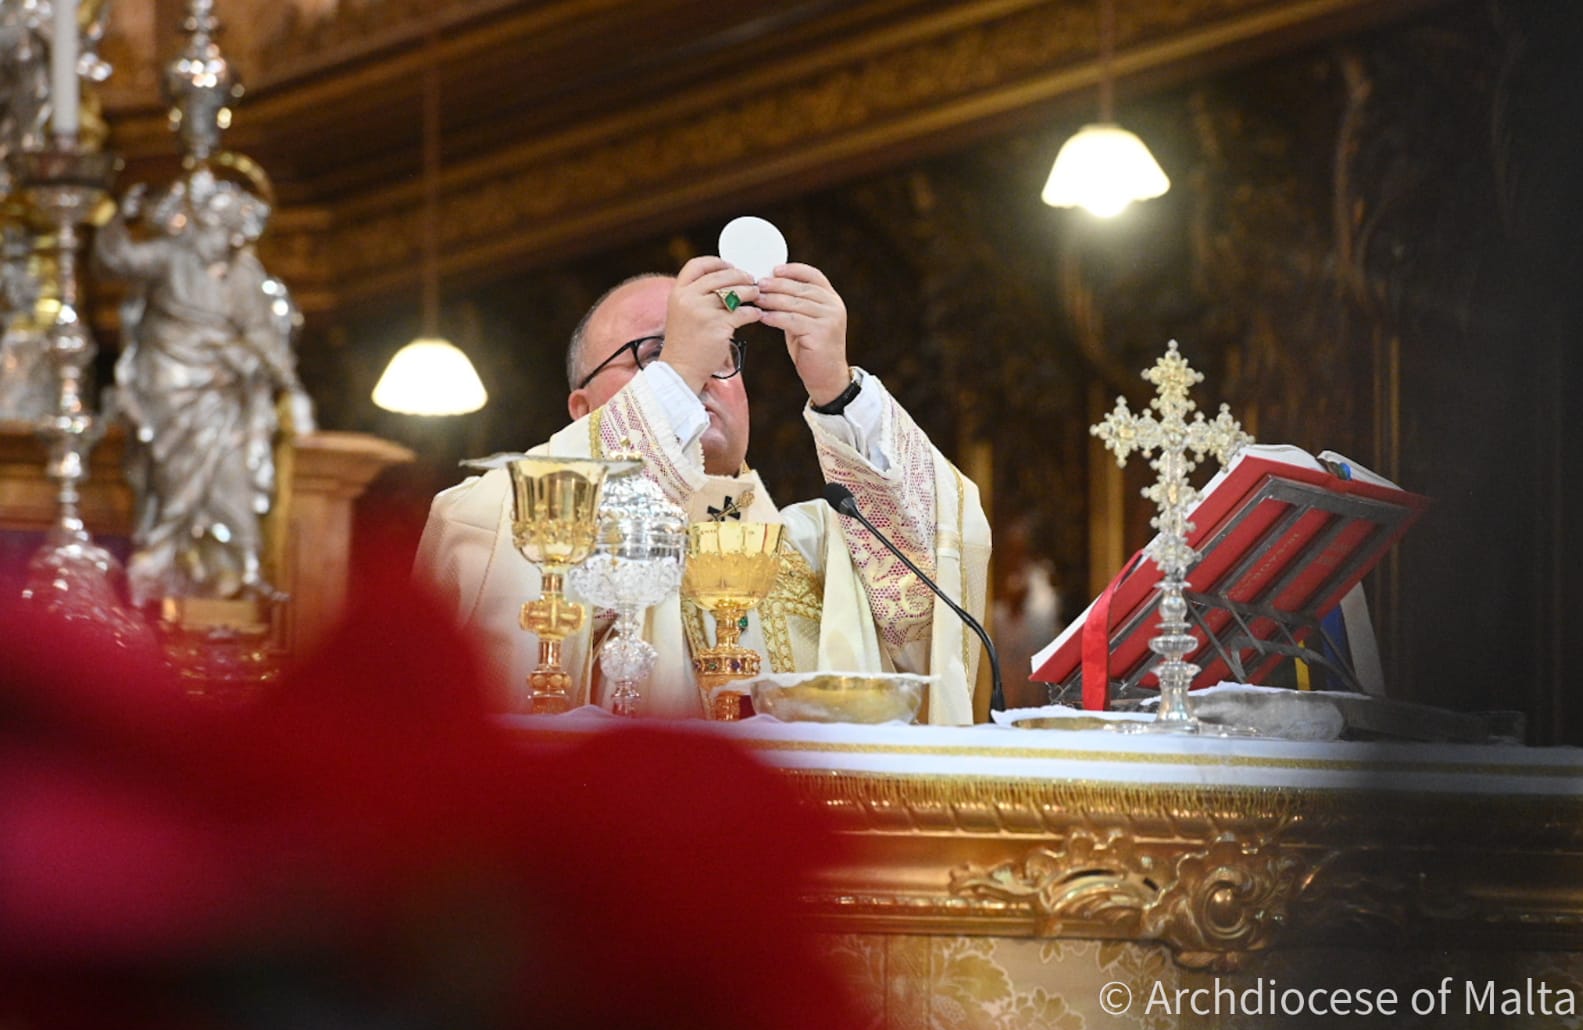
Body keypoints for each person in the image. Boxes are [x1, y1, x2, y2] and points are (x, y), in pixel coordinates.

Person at [415, 255, 991, 723]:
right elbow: (479, 548)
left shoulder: (820, 546)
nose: (701, 373)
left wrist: (839, 392)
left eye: (719, 355)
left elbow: (939, 559)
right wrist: (679, 373)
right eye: (653, 356)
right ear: (580, 410)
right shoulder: (502, 510)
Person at [95, 168, 315, 607]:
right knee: (174, 476)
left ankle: (235, 570)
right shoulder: (171, 257)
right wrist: (118, 217)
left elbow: (262, 336)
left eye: (225, 226)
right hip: (169, 388)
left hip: (223, 396)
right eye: (211, 223)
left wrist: (293, 388)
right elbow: (116, 261)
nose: (215, 234)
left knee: (231, 477)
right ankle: (160, 557)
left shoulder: (244, 275)